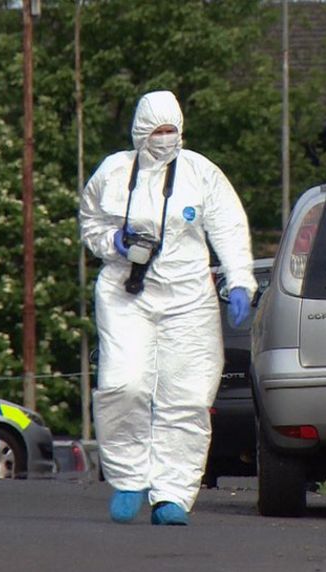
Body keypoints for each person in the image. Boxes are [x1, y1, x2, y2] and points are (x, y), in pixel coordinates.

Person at [79, 90, 257, 525]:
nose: (165, 138)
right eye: (158, 130)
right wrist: (114, 243)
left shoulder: (201, 173)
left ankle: (172, 495)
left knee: (189, 397)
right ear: (141, 131)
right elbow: (91, 222)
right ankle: (129, 477)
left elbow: (229, 227)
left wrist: (239, 281)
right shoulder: (114, 173)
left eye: (172, 130)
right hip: (126, 292)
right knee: (125, 385)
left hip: (189, 298)